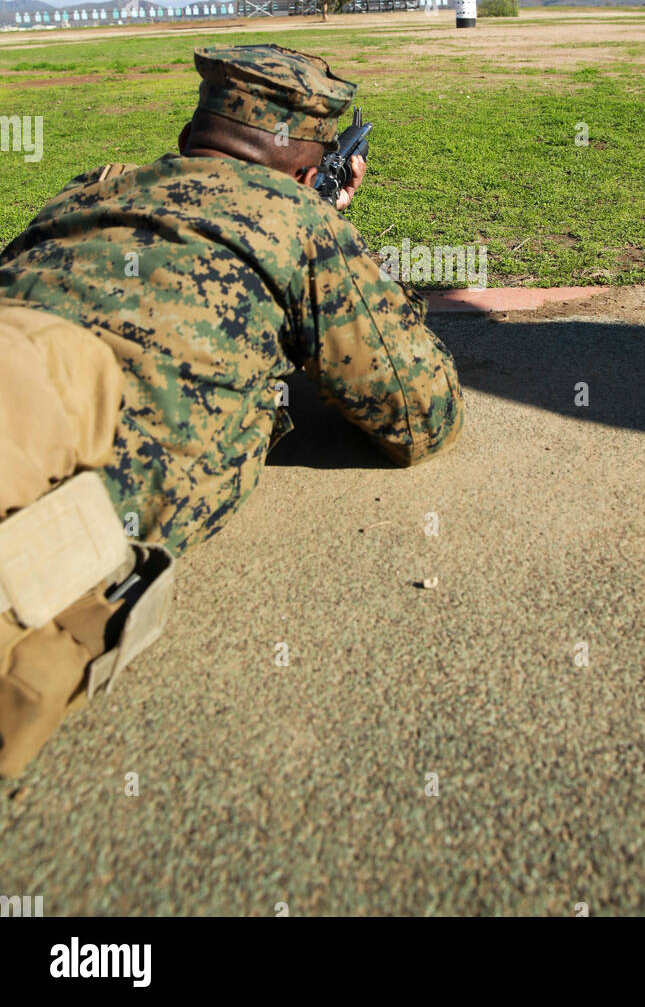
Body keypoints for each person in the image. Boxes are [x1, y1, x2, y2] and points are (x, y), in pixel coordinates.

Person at [0, 43, 463, 774]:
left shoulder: (87, 191)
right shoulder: (298, 219)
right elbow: (418, 415)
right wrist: (330, 232)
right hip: (51, 497)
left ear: (193, 138)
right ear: (311, 173)